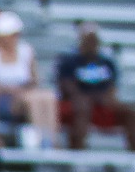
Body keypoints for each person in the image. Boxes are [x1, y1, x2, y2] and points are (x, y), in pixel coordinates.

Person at [0, 12, 58, 149]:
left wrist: (21, 91)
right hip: (2, 99)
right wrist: (10, 90)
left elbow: (34, 80)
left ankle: (51, 139)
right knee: (33, 99)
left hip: (24, 94)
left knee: (47, 97)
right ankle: (44, 143)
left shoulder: (25, 51)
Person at [57, 23, 135, 153]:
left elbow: (112, 87)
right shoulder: (69, 62)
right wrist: (90, 97)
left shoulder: (107, 62)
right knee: (82, 107)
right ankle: (77, 153)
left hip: (103, 101)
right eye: (88, 39)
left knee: (130, 111)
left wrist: (106, 98)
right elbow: (67, 86)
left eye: (94, 39)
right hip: (79, 102)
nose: (91, 43)